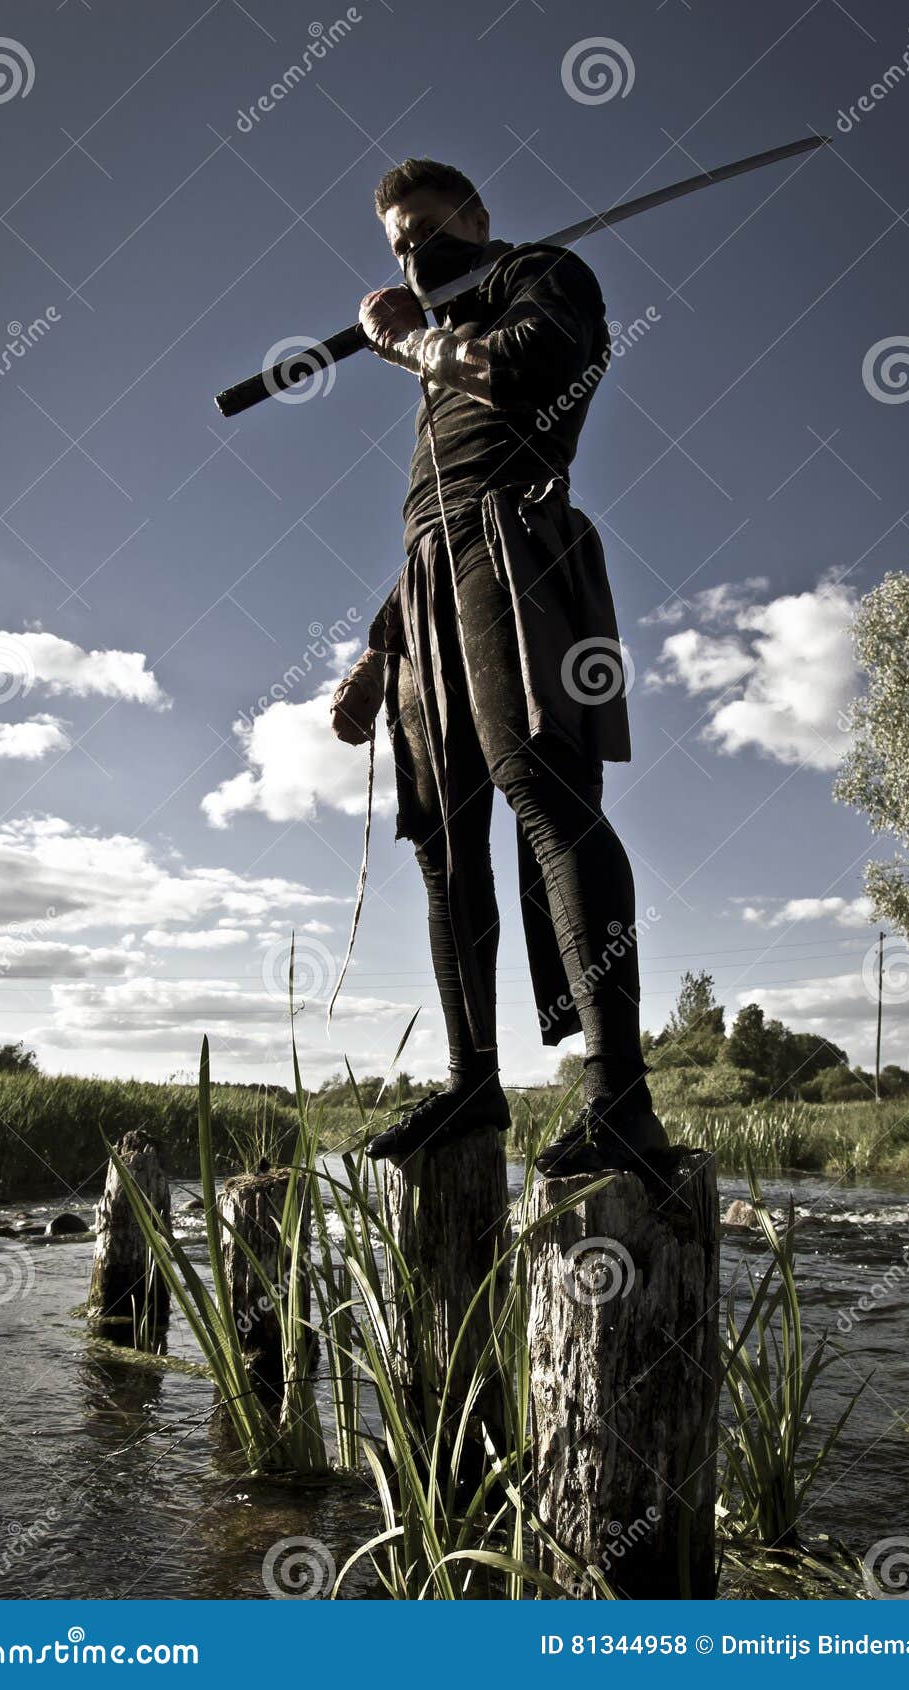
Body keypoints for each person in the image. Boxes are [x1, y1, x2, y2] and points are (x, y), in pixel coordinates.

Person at [331, 156, 671, 1179]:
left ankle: (621, 1098)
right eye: (397, 242)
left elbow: (533, 363)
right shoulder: (435, 366)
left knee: (540, 785)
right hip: (429, 576)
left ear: (474, 215)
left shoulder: (541, 275)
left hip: (515, 542)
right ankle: (474, 1089)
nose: (413, 250)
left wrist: (408, 338)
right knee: (441, 841)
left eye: (428, 228)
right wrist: (376, 649)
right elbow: (431, 520)